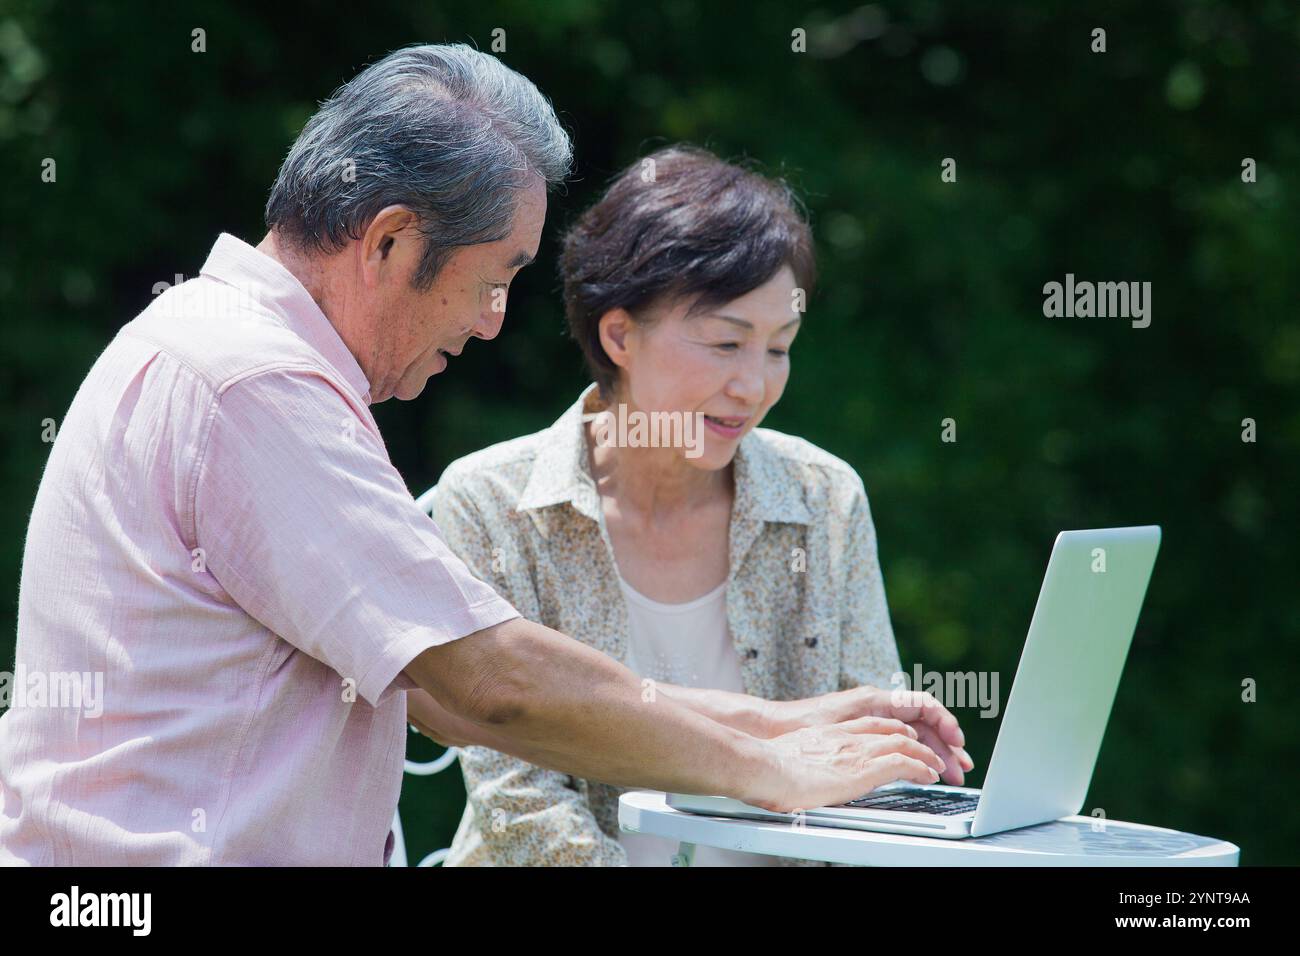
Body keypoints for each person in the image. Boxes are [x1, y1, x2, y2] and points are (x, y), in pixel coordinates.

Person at [0, 46, 962, 866]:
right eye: (493, 278)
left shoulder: (227, 351)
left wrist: (786, 724)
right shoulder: (256, 384)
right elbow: (488, 685)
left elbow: (439, 695)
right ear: (389, 243)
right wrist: (770, 767)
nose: (498, 322)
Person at [435, 145, 974, 866]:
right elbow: (521, 807)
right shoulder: (491, 501)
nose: (753, 386)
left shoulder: (824, 496)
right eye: (726, 343)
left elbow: (876, 764)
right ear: (619, 333)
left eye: (779, 348)